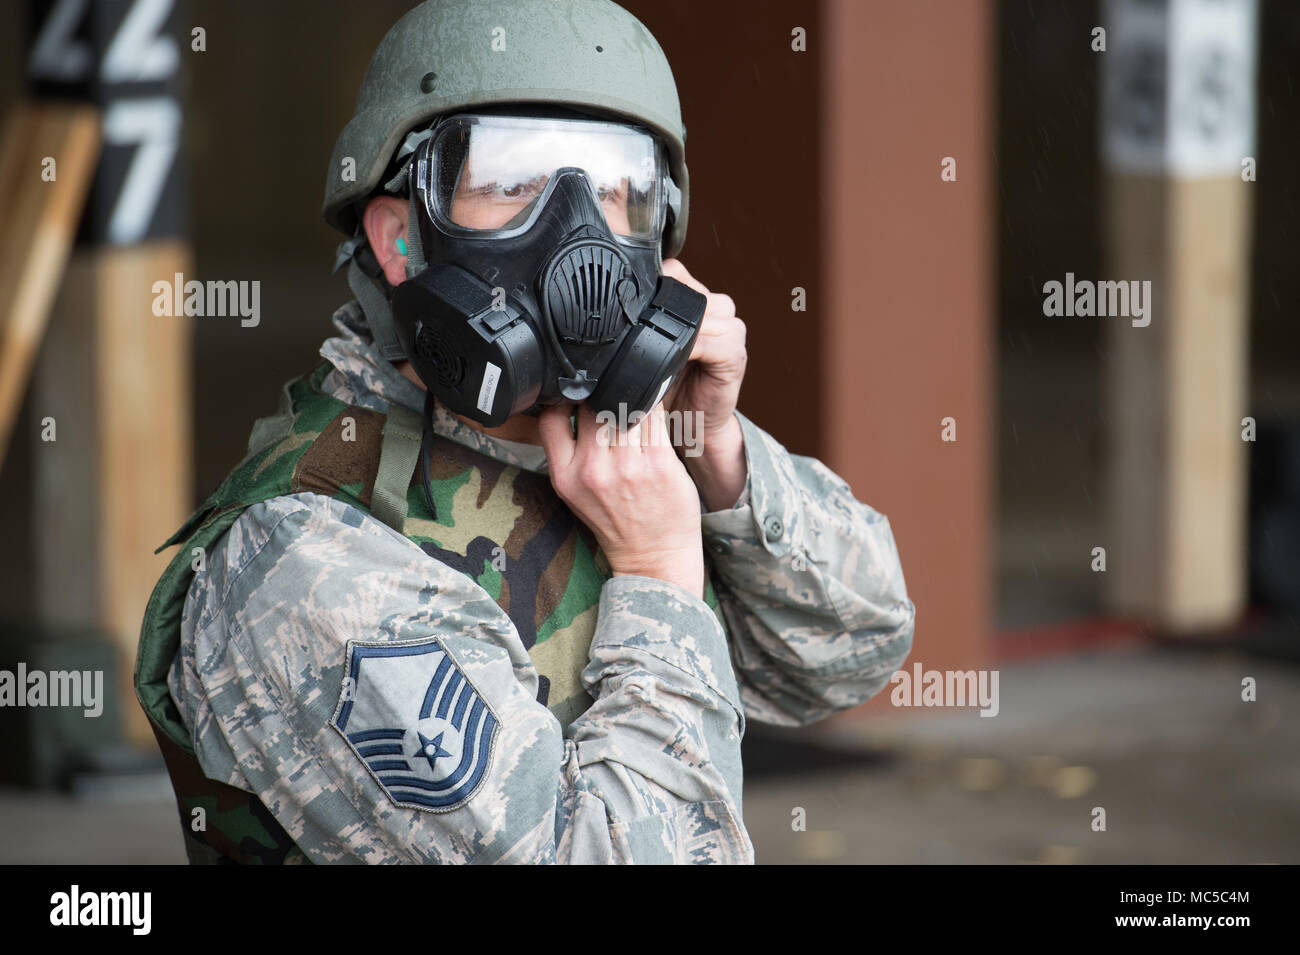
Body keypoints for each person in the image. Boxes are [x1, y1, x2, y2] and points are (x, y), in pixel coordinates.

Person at [135, 0, 915, 865]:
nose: (579, 232)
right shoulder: (303, 562)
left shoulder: (615, 453)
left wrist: (719, 463)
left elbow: (856, 648)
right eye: (513, 184)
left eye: (618, 190)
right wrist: (658, 576)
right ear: (399, 238)